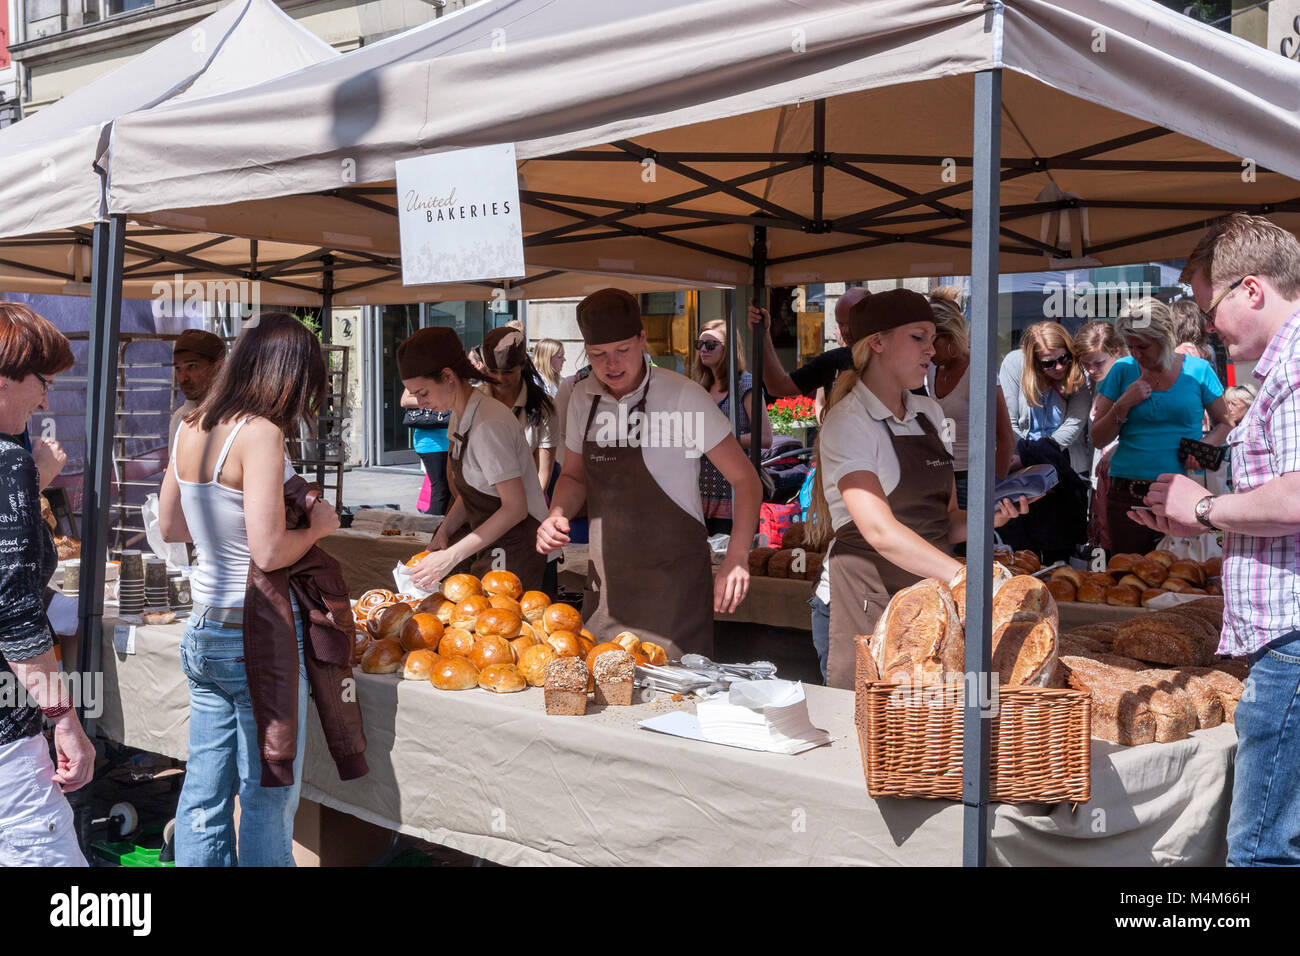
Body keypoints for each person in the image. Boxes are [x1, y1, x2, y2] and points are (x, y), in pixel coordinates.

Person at [1133, 213, 1300, 866]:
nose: (1206, 329)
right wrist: (1200, 513)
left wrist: (1202, 507)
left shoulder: (1293, 369)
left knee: (1262, 850)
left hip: (1291, 643)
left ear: (1252, 290)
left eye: (1210, 308)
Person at [157, 313, 336, 866]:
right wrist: (322, 526)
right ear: (288, 376)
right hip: (256, 636)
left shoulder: (192, 423)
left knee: (203, 795)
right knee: (266, 795)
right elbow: (269, 552)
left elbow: (170, 528)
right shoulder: (260, 433)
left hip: (205, 627)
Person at [808, 290, 1029, 689]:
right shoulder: (848, 422)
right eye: (918, 337)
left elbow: (942, 522)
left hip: (926, 609)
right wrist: (963, 576)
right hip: (862, 604)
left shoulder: (929, 413)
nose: (931, 349)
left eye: (932, 337)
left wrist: (988, 517)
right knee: (864, 737)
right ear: (877, 342)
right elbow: (880, 531)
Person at [536, 288, 759, 659]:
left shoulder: (682, 396)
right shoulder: (582, 399)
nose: (612, 364)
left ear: (642, 339)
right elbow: (574, 477)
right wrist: (556, 514)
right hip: (608, 587)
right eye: (598, 355)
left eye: (622, 350)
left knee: (672, 701)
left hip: (674, 593)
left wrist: (737, 556)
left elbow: (746, 479)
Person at [0, 302, 89, 866]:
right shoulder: (9, 463)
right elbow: (12, 611)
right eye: (43, 383)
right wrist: (66, 720)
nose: (46, 400)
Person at [400, 327, 551, 593]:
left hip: (518, 544)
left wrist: (451, 556)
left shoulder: (488, 425)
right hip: (492, 540)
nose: (420, 403)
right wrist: (445, 531)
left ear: (447, 376)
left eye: (423, 393)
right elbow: (474, 490)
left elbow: (515, 507)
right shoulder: (460, 415)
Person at [1090, 298, 1232, 555]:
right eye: (1130, 346)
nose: (1136, 354)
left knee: (1184, 578)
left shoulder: (1198, 370)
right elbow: (1098, 438)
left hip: (1181, 493)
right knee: (1128, 580)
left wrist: (1204, 446)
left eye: (1143, 346)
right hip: (1128, 495)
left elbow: (1225, 422)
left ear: (1165, 337)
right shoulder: (1122, 370)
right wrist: (1122, 405)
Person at [924, 293, 1016, 510]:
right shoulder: (931, 367)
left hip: (972, 481)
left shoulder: (978, 368)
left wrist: (993, 491)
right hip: (939, 477)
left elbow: (1006, 438)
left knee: (967, 544)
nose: (927, 349)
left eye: (932, 340)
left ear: (950, 336)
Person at [692, 319, 772, 535]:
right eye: (699, 344)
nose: (703, 350)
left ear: (728, 349)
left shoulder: (744, 384)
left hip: (733, 492)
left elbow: (764, 438)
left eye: (710, 345)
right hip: (699, 493)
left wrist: (718, 440)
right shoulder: (699, 386)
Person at [999, 321, 1093, 477]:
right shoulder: (1014, 364)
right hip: (1020, 460)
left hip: (1065, 461)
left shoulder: (1078, 370)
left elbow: (1074, 423)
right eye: (1049, 363)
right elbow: (1008, 421)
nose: (1059, 367)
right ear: (1034, 361)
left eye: (1064, 358)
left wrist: (1033, 456)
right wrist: (1025, 456)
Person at [748, 287, 871, 401]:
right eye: (840, 324)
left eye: (849, 323)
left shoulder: (885, 357)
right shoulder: (833, 360)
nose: (844, 330)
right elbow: (778, 386)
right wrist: (763, 334)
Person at [479, 327, 559, 497]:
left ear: (522, 365)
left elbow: (543, 472)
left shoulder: (543, 406)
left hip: (525, 500)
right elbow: (454, 464)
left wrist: (526, 510)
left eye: (508, 372)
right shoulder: (473, 401)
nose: (500, 379)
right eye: (493, 371)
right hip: (478, 500)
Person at [1073, 320, 1129, 550]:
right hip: (1101, 479)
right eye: (1086, 365)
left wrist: (1116, 450)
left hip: (1123, 479)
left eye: (1098, 363)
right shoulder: (1096, 383)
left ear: (1116, 350)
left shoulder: (1130, 377)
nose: (1092, 370)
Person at [168, 329, 227, 452]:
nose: (183, 378)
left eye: (192, 366)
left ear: (218, 367)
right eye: (178, 368)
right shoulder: (179, 419)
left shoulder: (236, 416)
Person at [400, 388, 450, 516]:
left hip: (451, 440)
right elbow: (405, 401)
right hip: (430, 443)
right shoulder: (420, 377)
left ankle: (444, 527)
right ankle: (435, 528)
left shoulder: (450, 377)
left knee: (449, 488)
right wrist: (432, 400)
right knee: (440, 488)